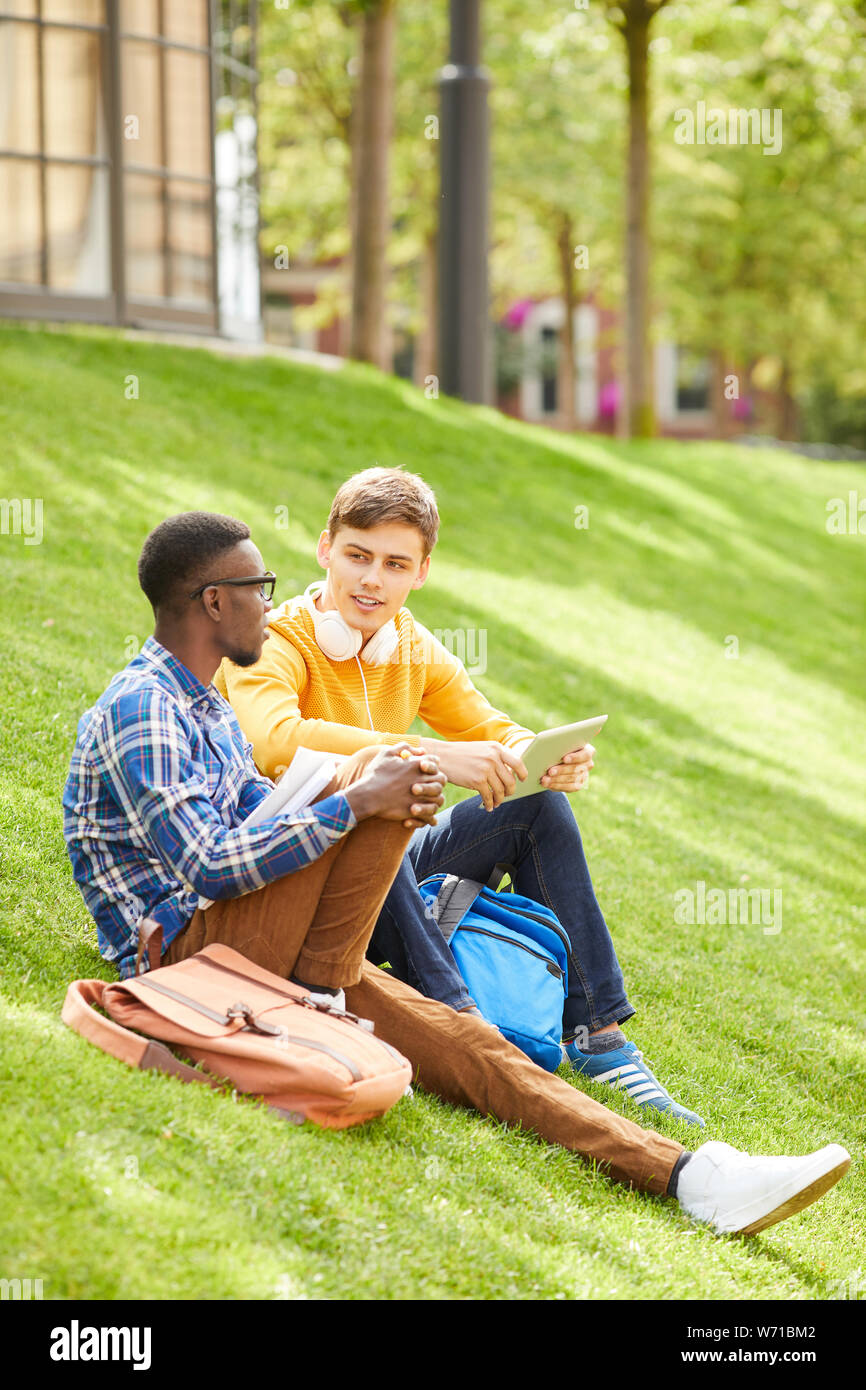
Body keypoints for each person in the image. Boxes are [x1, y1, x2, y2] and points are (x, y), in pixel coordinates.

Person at [61, 508, 852, 1239]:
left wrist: (389, 785)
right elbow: (209, 865)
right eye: (257, 590)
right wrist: (355, 800)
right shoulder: (146, 709)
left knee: (477, 1053)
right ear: (211, 603)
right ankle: (346, 995)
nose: (269, 605)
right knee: (376, 772)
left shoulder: (201, 705)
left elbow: (260, 813)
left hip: (284, 947)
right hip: (192, 958)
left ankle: (692, 1177)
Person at [215, 468, 700, 1124]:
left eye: (394, 564)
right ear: (325, 548)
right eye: (357, 556)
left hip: (388, 866)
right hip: (295, 870)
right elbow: (275, 742)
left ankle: (598, 1036)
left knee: (537, 808)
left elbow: (489, 727)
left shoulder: (410, 646)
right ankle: (463, 1022)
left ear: (421, 572)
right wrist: (434, 755)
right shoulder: (276, 637)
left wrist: (542, 754)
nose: (371, 581)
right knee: (373, 808)